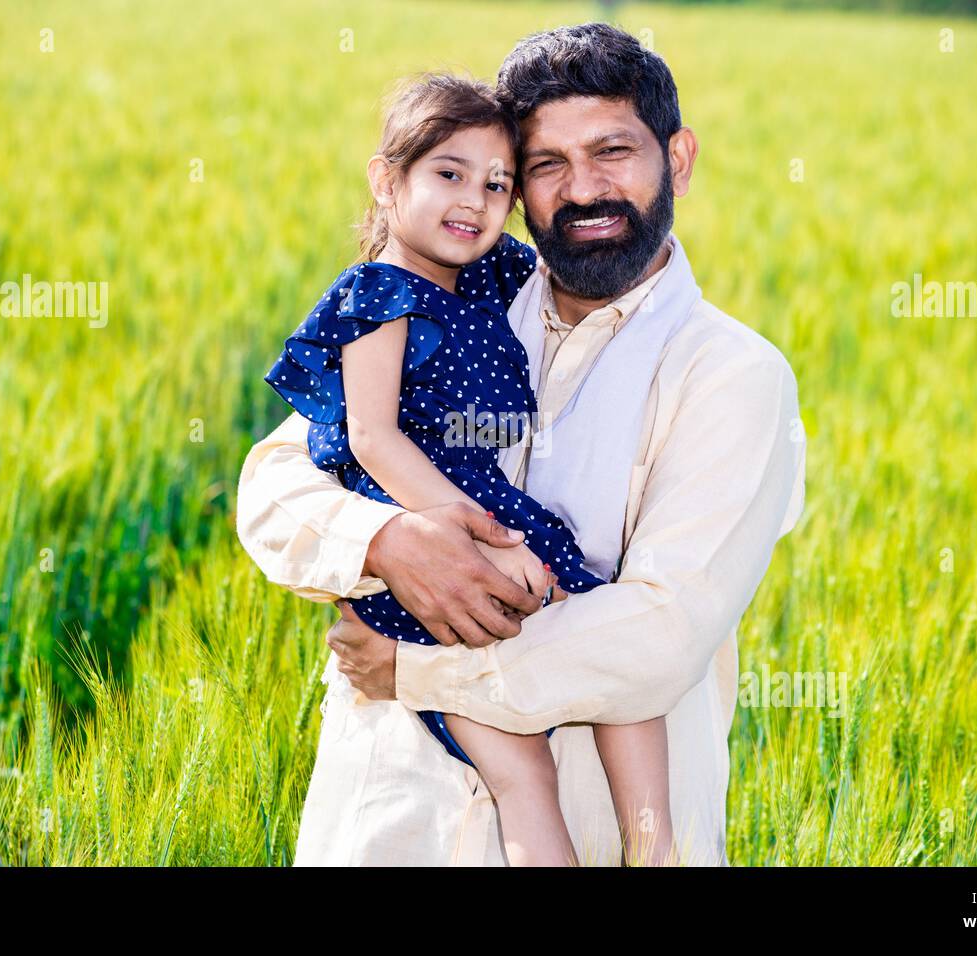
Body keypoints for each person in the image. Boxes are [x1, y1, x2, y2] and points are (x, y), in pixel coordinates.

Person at [236, 22, 806, 866]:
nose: (583, 190)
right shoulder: (451, 296)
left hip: (594, 834)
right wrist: (391, 541)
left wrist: (417, 670)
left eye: (613, 151)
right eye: (546, 165)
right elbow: (277, 480)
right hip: (392, 827)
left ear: (677, 160)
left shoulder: (730, 374)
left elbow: (660, 630)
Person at [260, 72, 675, 865]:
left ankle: (658, 853)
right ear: (386, 180)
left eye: (499, 185)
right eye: (448, 174)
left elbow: (595, 281)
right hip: (444, 526)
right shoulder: (378, 296)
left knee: (622, 683)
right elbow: (373, 439)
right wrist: (473, 540)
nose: (475, 202)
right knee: (522, 771)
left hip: (490, 513)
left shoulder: (490, 275)